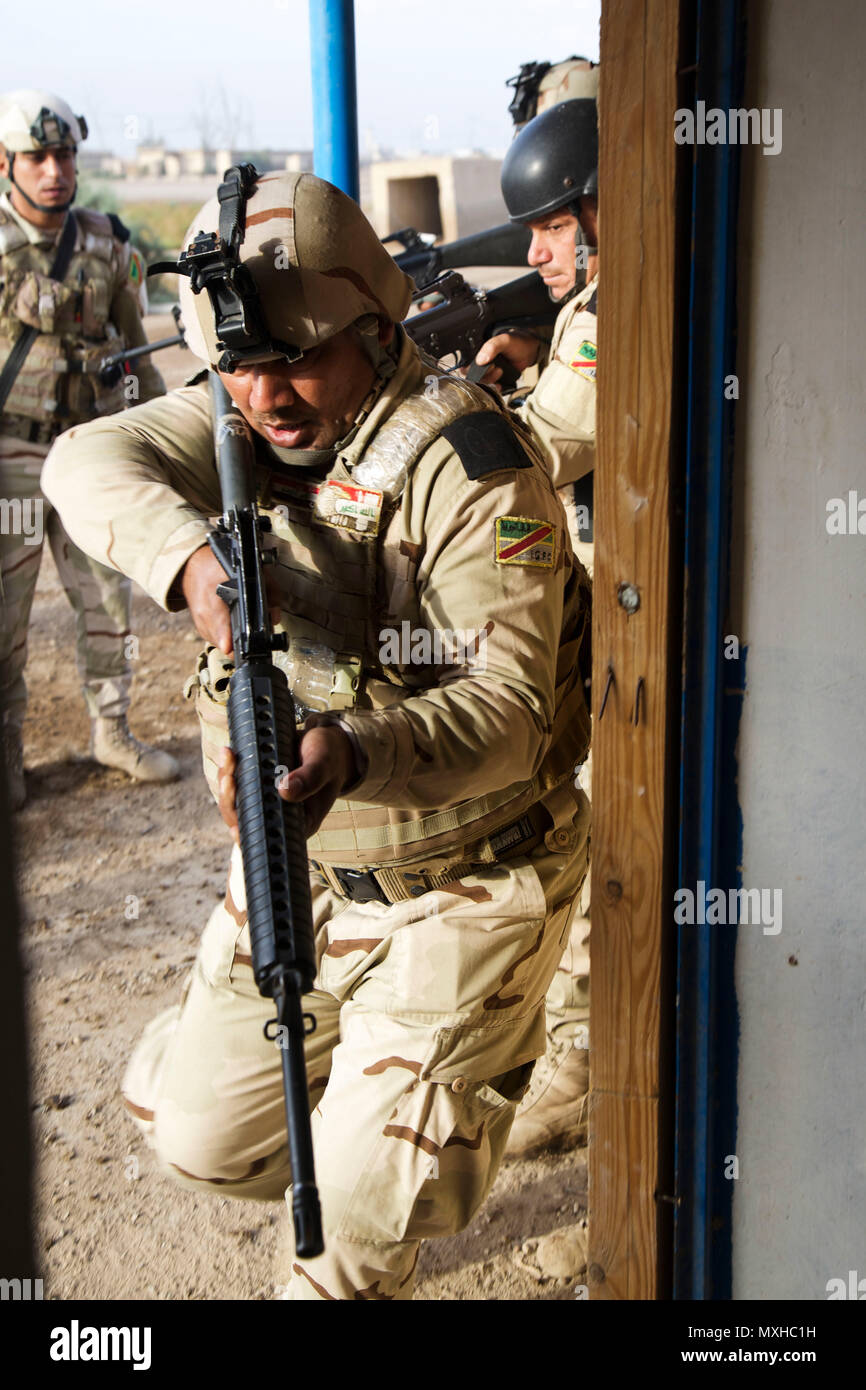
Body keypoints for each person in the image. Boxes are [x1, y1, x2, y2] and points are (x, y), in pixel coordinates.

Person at [43, 167, 592, 1301]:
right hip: (310, 868)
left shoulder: (470, 468)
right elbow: (81, 462)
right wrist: (191, 563)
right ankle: (377, 1103)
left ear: (376, 330)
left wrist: (353, 751)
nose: (265, 395)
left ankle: (438, 1101)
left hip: (469, 880)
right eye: (235, 366)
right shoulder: (241, 415)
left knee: (340, 1225)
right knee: (200, 1139)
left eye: (295, 359)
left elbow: (507, 713)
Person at [471, 97, 599, 1158]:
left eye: (554, 225)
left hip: (630, 625)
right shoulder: (581, 311)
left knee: (596, 827)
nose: (536, 249)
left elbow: (550, 449)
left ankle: (586, 1061)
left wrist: (463, 415)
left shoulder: (607, 312)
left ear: (602, 214)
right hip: (603, 613)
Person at [0, 89, 179, 810]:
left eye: (65, 154)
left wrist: (163, 436)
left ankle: (112, 730)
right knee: (7, 612)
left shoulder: (110, 241)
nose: (54, 170)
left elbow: (137, 350)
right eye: (38, 157)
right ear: (6, 163)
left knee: (107, 599)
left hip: (88, 451)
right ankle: (8, 752)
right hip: (9, 454)